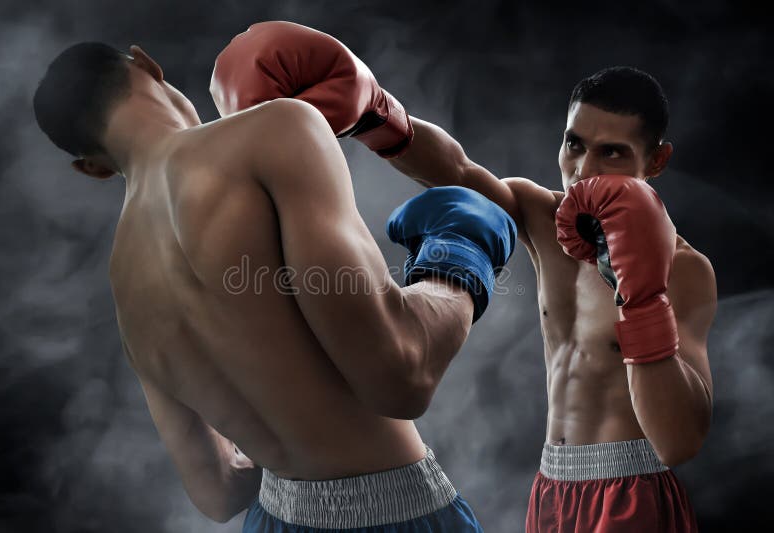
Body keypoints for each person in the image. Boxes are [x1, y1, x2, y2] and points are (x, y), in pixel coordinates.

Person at [211, 21, 716, 532]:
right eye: (574, 144)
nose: (583, 171)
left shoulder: (684, 269)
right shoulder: (545, 219)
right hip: (553, 487)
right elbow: (457, 171)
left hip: (635, 496)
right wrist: (373, 112)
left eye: (612, 152)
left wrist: (642, 299)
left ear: (656, 160)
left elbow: (680, 441)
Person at [33, 41, 519, 531]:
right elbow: (402, 377)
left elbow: (216, 491)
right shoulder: (274, 129)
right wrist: (459, 251)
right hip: (399, 513)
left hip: (272, 520)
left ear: (91, 167)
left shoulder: (123, 278)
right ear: (146, 64)